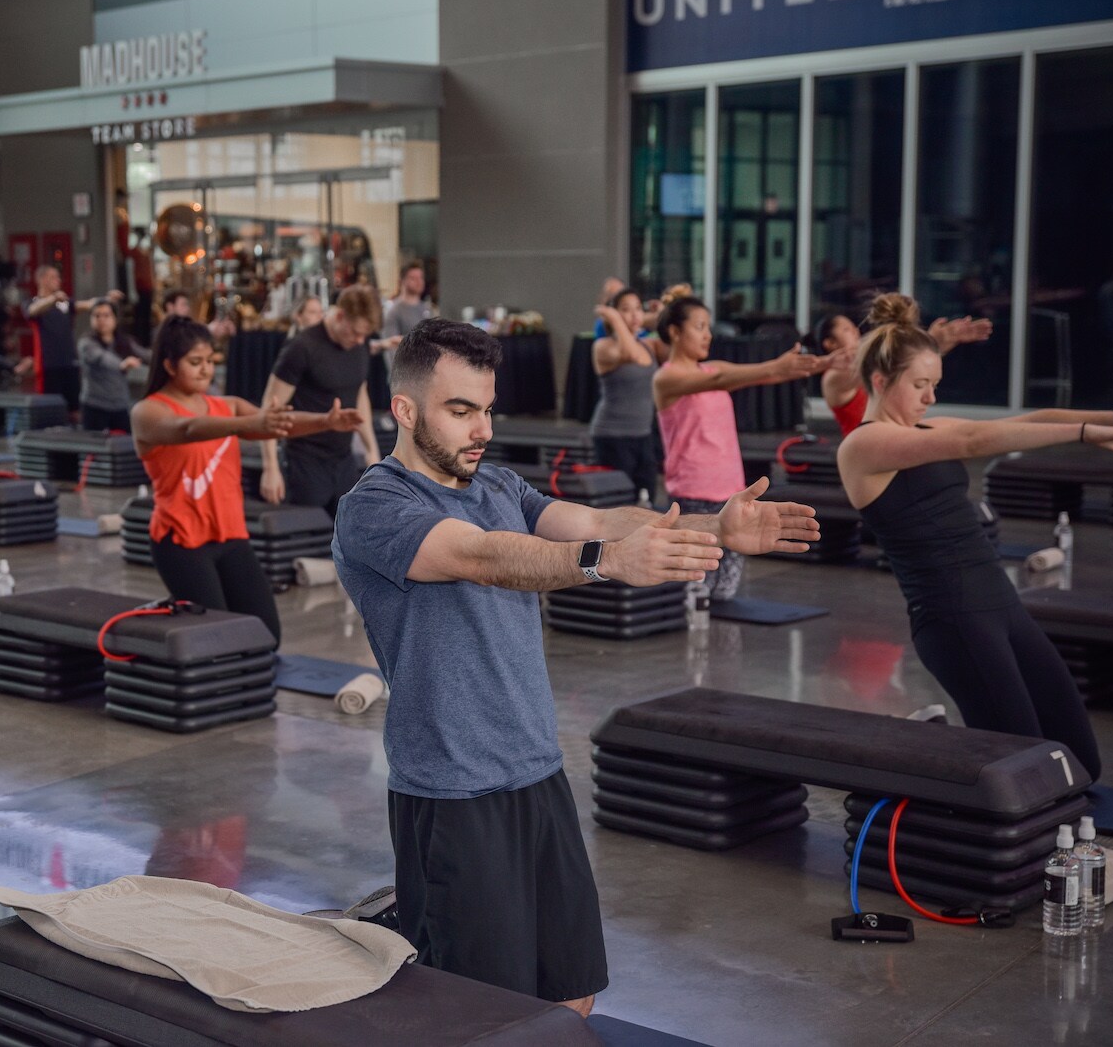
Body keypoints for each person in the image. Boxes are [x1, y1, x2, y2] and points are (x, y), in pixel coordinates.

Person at [332, 318, 820, 1015]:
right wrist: (605, 565)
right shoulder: (377, 506)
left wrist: (715, 527)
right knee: (483, 1013)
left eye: (488, 408)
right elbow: (484, 557)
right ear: (405, 411)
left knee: (572, 993)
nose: (481, 429)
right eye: (461, 410)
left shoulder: (498, 484)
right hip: (452, 790)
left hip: (536, 769)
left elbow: (594, 522)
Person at [837, 294, 1113, 778]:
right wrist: (1086, 435)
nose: (930, 397)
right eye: (920, 384)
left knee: (1081, 762)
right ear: (880, 381)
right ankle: (927, 752)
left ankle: (938, 733)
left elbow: (1028, 420)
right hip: (954, 619)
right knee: (1022, 768)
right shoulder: (863, 446)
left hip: (1003, 606)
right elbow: (973, 442)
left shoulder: (926, 425)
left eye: (935, 385)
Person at [131, 317, 363, 645]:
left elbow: (277, 423)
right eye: (194, 363)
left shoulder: (225, 406)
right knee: (215, 636)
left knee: (267, 635)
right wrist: (245, 422)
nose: (205, 370)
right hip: (181, 540)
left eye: (210, 362)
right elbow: (188, 429)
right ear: (169, 365)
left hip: (230, 534)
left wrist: (325, 421)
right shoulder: (147, 412)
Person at [652, 286, 833, 600]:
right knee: (696, 588)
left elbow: (760, 376)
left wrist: (831, 361)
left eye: (708, 327)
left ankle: (719, 646)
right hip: (693, 491)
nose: (707, 334)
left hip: (731, 490)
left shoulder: (714, 367)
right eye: (699, 327)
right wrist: (772, 367)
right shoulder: (666, 378)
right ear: (674, 331)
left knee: (726, 591)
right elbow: (721, 381)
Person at [257, 285, 384, 514]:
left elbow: (359, 394)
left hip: (343, 459)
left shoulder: (359, 344)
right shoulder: (302, 347)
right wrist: (270, 468)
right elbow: (269, 409)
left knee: (346, 539)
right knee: (310, 544)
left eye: (364, 335)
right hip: (304, 461)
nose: (359, 340)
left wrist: (371, 450)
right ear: (340, 315)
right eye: (355, 332)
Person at [815, 308, 992, 436]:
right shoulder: (833, 378)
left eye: (854, 327)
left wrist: (935, 345)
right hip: (869, 447)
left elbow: (898, 365)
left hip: (895, 437)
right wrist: (931, 342)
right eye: (846, 329)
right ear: (830, 343)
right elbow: (882, 366)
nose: (855, 331)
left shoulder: (875, 362)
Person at [588, 289, 661, 498]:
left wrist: (662, 312)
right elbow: (629, 354)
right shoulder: (603, 346)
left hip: (643, 434)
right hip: (612, 436)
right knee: (619, 503)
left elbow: (670, 333)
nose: (635, 314)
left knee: (649, 500)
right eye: (626, 310)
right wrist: (613, 319)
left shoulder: (647, 345)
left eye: (638, 308)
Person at [26, 265, 93, 422]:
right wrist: (52, 298)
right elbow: (32, 311)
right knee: (49, 408)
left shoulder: (64, 303)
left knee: (74, 409)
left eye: (58, 277)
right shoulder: (34, 303)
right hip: (48, 365)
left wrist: (105, 300)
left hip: (69, 363)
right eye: (53, 277)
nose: (58, 280)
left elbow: (85, 304)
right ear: (42, 280)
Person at [80, 299, 148, 432]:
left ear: (115, 319)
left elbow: (145, 354)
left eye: (106, 315)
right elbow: (102, 358)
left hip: (120, 406)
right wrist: (121, 364)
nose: (101, 320)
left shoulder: (124, 341)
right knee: (95, 450)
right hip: (95, 406)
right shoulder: (86, 343)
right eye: (97, 316)